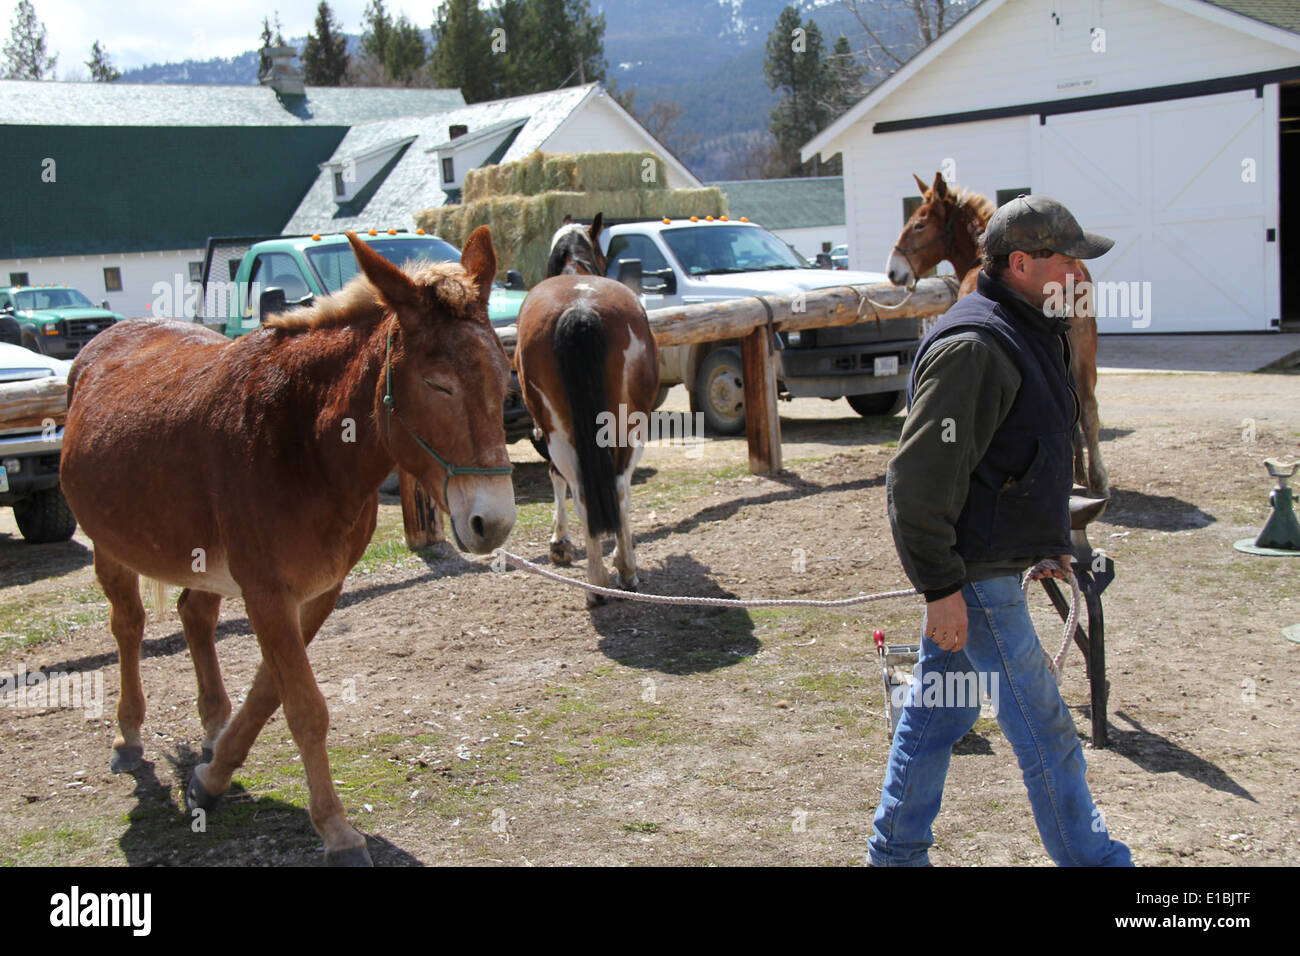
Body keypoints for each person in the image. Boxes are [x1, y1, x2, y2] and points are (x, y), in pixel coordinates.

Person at [868, 195, 1132, 867]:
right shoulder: (976, 347)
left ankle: (894, 855)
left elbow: (1017, 454)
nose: (1081, 274)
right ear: (1021, 263)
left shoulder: (1030, 327)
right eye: (1069, 260)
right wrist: (940, 587)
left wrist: (1036, 543)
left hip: (990, 565)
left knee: (937, 717)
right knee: (1046, 730)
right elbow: (917, 481)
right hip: (974, 580)